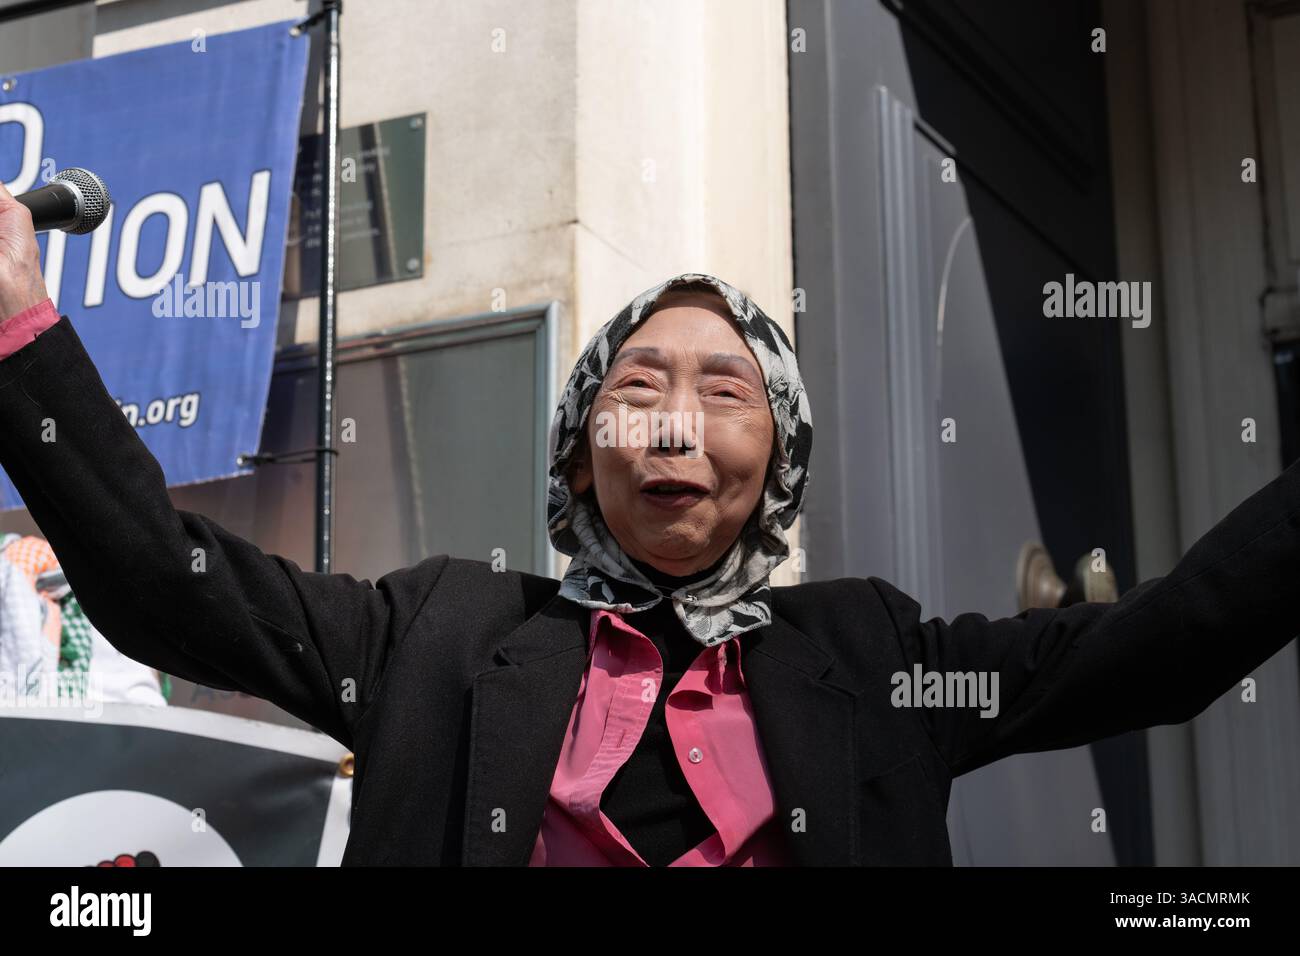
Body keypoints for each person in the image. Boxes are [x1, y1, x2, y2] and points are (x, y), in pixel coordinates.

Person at [0, 181, 1297, 866]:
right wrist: (18, 327)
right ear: (579, 451)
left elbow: (1171, 645)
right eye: (636, 390)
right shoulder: (436, 634)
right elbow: (166, 586)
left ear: (777, 459)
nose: (676, 425)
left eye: (725, 393)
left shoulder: (881, 658)